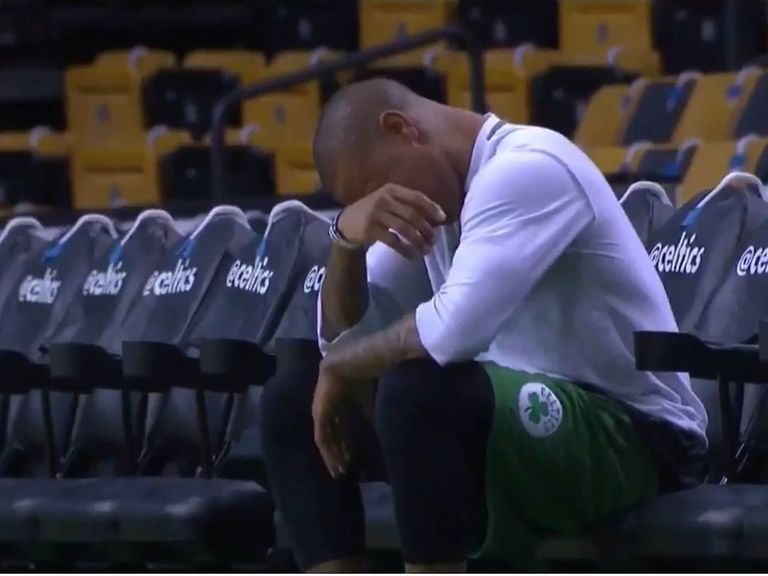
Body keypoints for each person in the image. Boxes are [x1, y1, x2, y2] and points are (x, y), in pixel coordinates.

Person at [260, 78, 708, 573]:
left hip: (636, 434)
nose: (385, 205)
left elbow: (452, 333)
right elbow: (346, 342)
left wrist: (345, 362)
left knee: (419, 390)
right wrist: (346, 241)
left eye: (379, 189)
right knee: (293, 400)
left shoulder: (529, 166)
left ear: (401, 129)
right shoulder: (431, 206)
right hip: (514, 428)